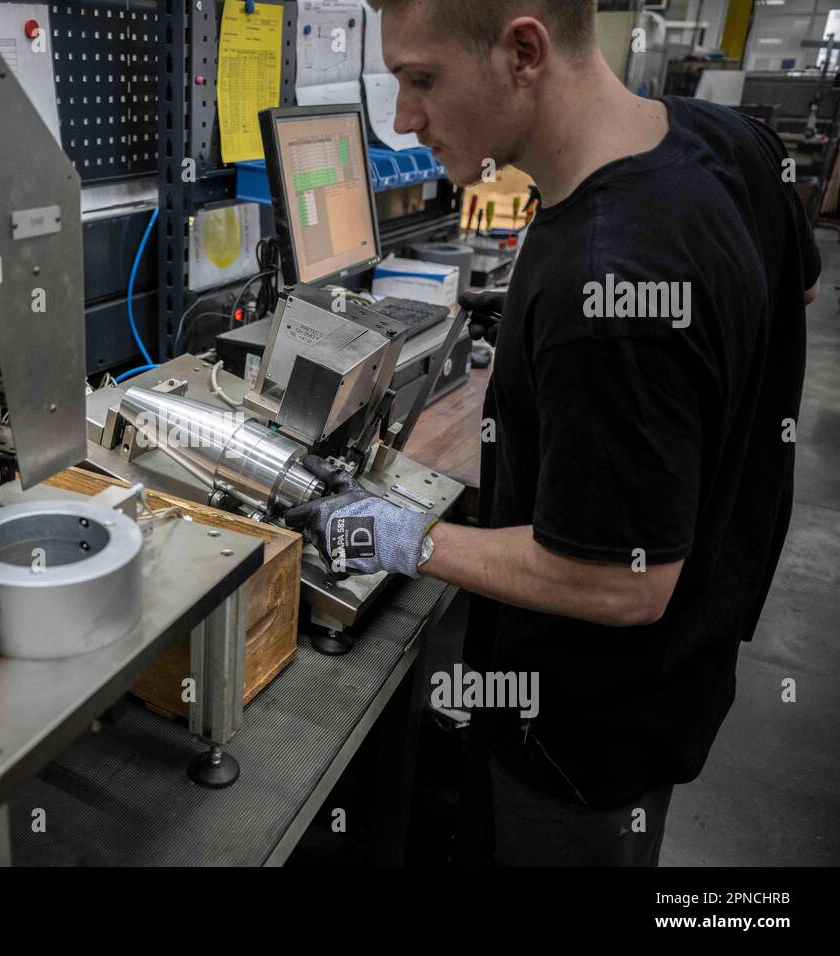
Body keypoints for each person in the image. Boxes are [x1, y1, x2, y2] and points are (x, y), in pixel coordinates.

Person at [285, 0, 820, 865]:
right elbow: (797, 288)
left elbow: (623, 584)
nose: (401, 119)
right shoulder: (731, 142)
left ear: (523, 52)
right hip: (686, 670)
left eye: (421, 80)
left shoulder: (608, 278)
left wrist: (405, 537)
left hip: (581, 733)